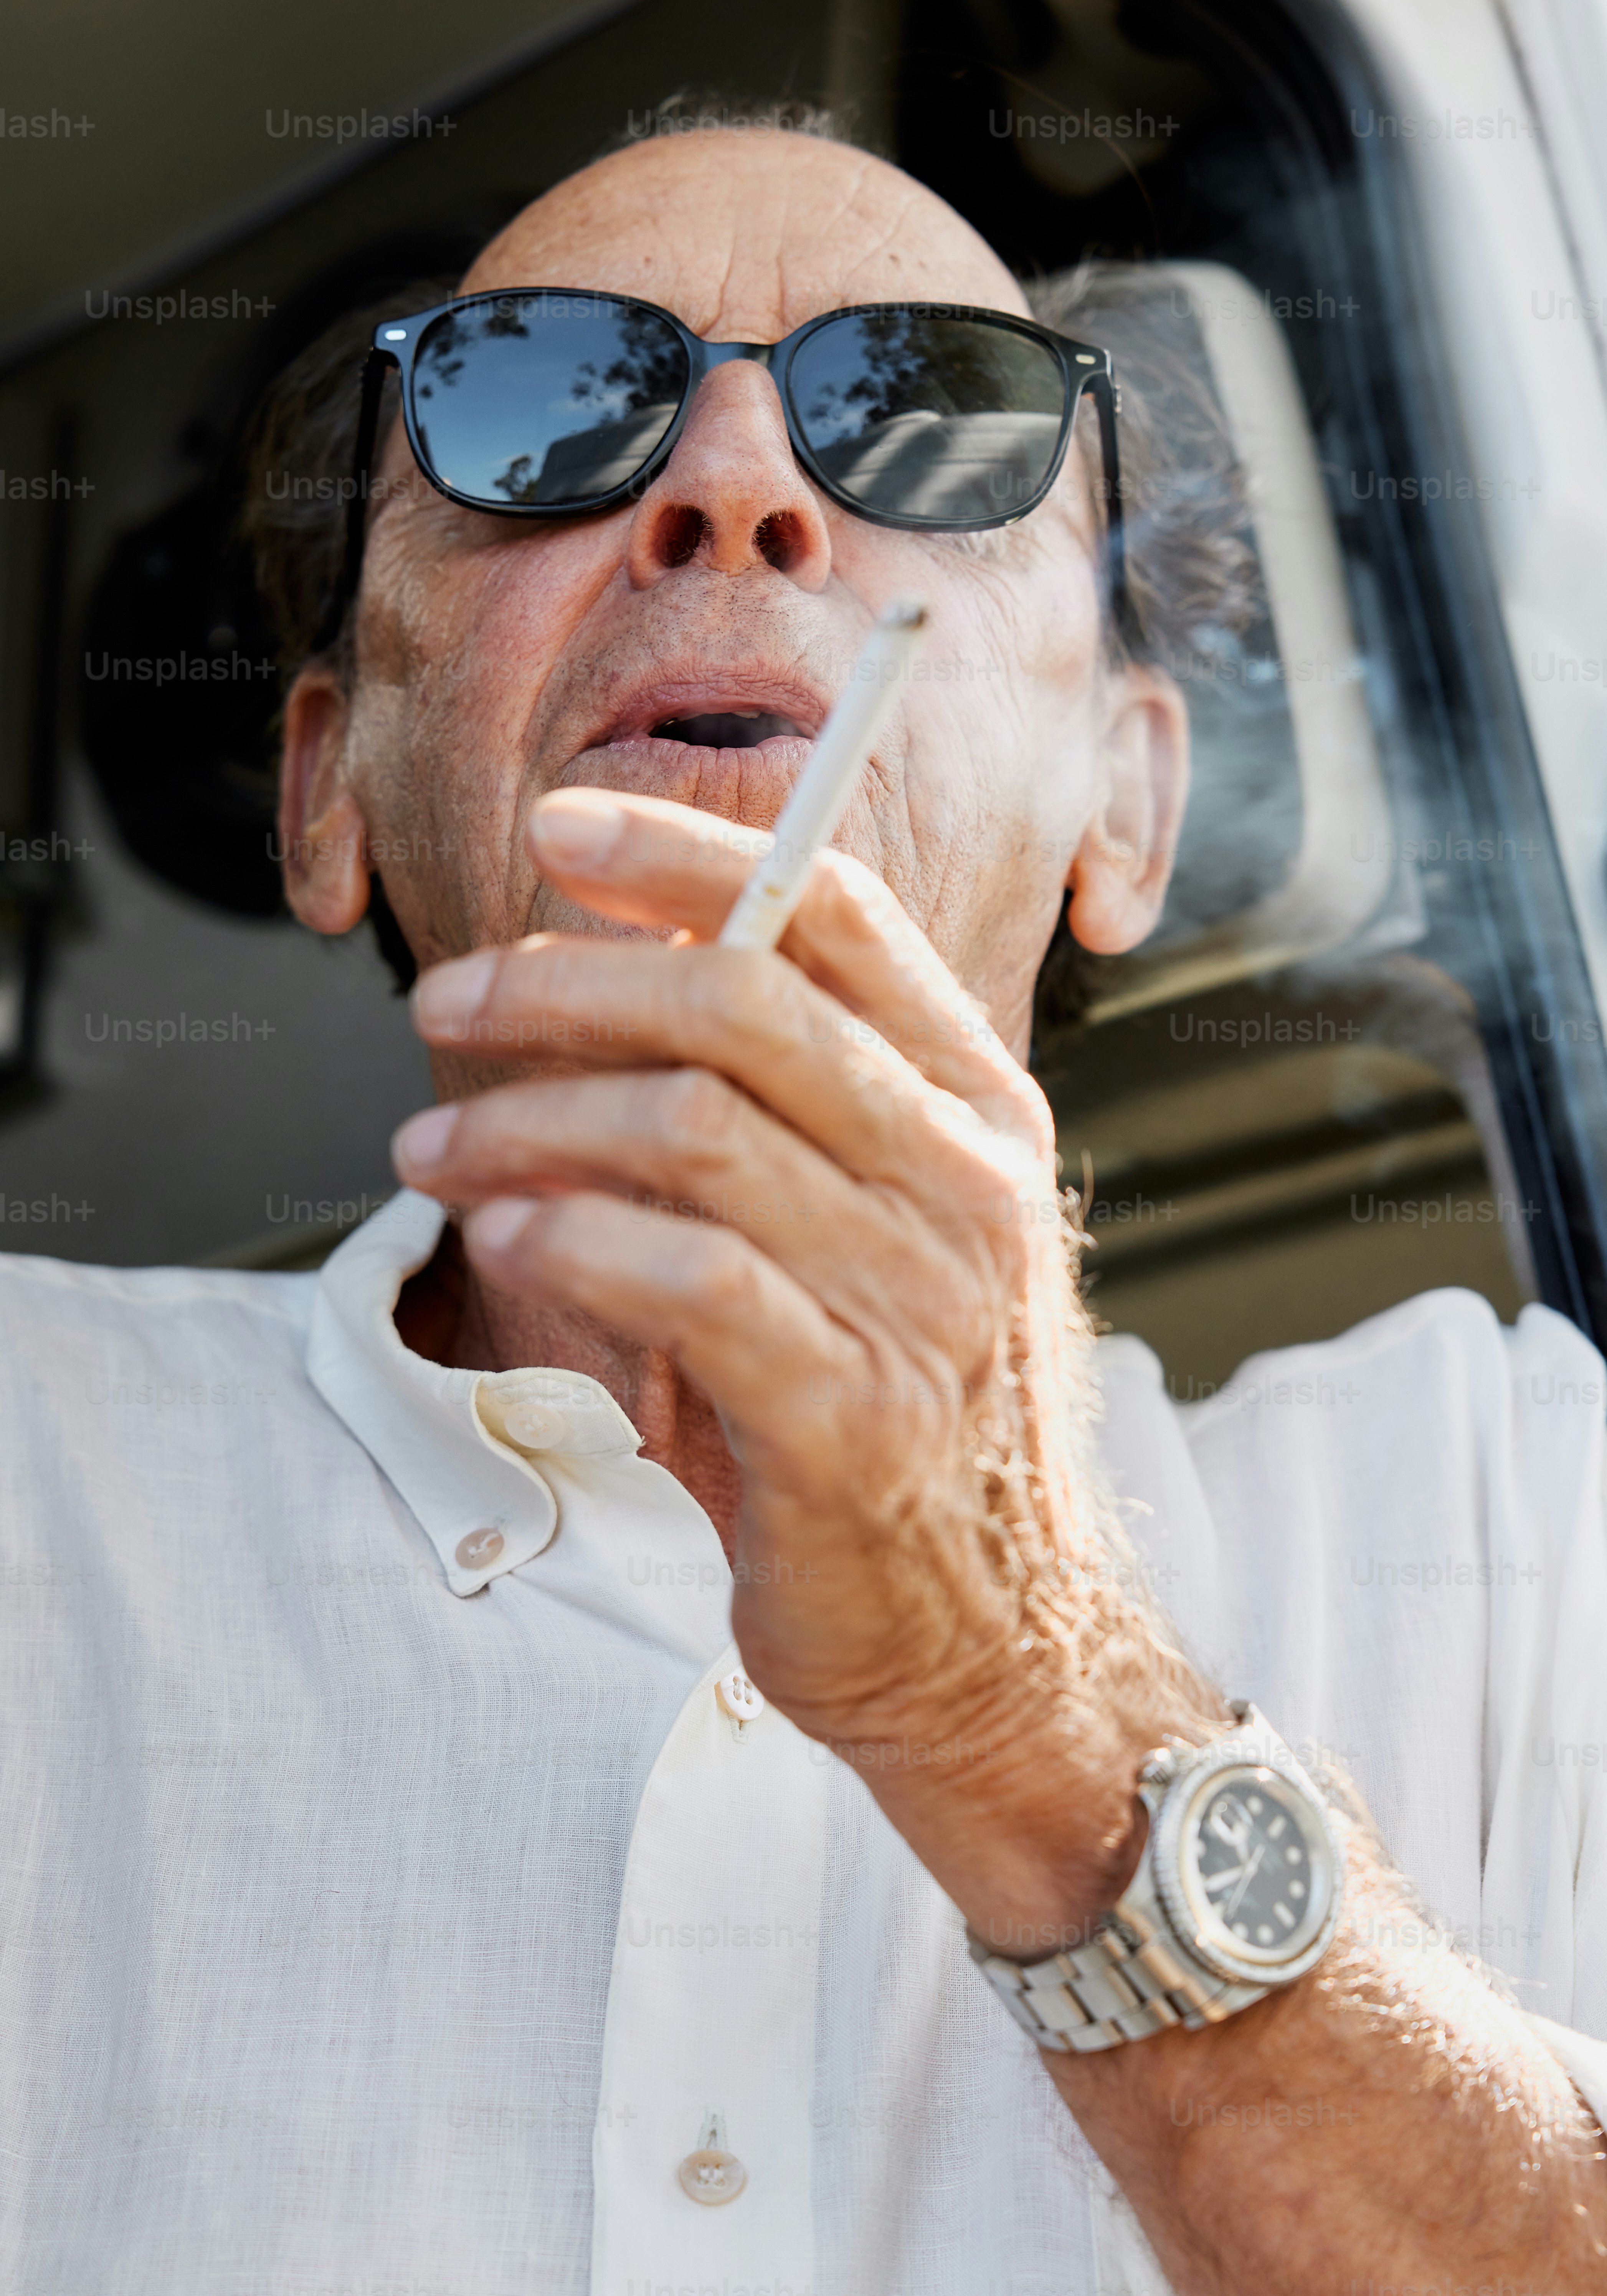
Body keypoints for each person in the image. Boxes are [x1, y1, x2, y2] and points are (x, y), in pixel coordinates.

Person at [2, 118, 1604, 2296]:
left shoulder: (1522, 1512)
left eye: (927, 412)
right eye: (538, 394)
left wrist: (1023, 1699)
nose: (736, 489)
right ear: (330, 791)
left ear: (1127, 800)